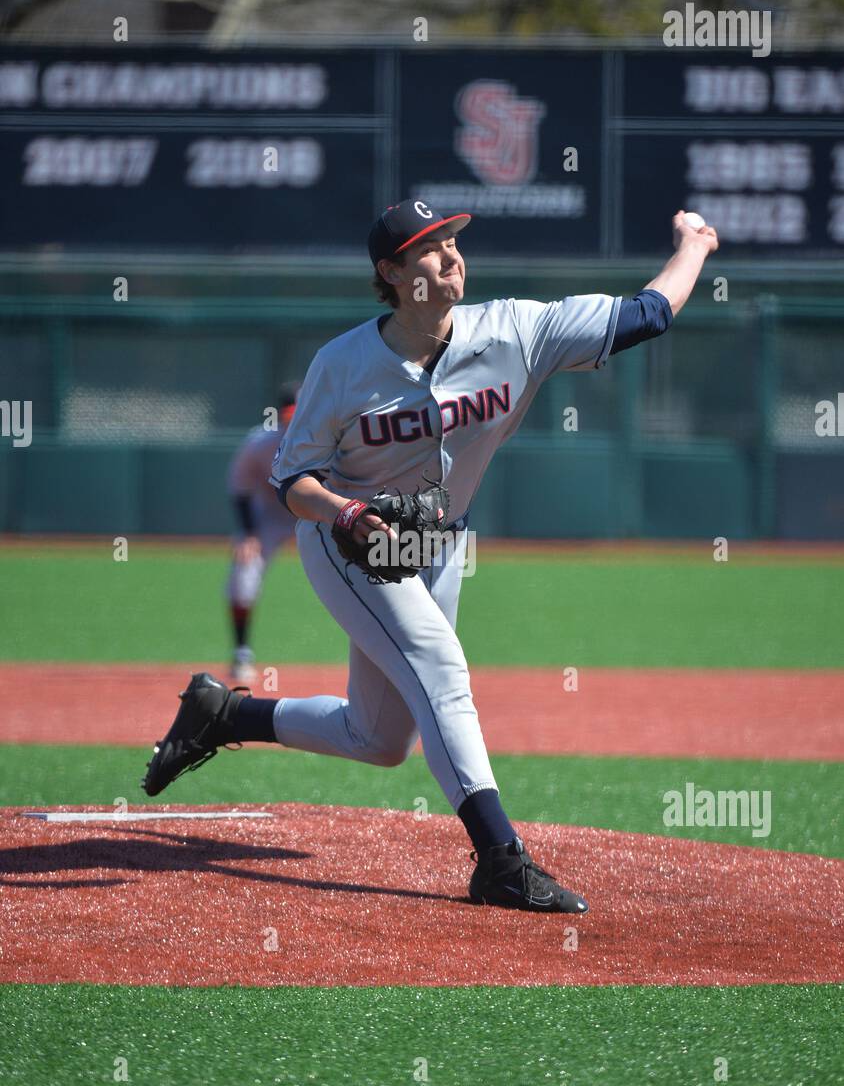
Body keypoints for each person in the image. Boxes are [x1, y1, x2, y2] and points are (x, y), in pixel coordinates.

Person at [143, 199, 718, 913]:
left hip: (440, 544)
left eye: (451, 240)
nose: (450, 255)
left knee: (380, 738)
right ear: (390, 272)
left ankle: (224, 715)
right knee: (442, 670)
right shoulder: (344, 365)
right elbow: (294, 482)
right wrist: (349, 515)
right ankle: (501, 860)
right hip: (346, 542)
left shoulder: (515, 330)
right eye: (429, 247)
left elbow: (647, 314)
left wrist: (693, 246)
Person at [225, 383, 300, 681]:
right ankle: (241, 652)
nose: (292, 421)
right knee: (244, 572)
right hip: (270, 512)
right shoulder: (259, 443)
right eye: (288, 415)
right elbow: (240, 487)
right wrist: (248, 533)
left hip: (315, 511)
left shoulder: (331, 438)